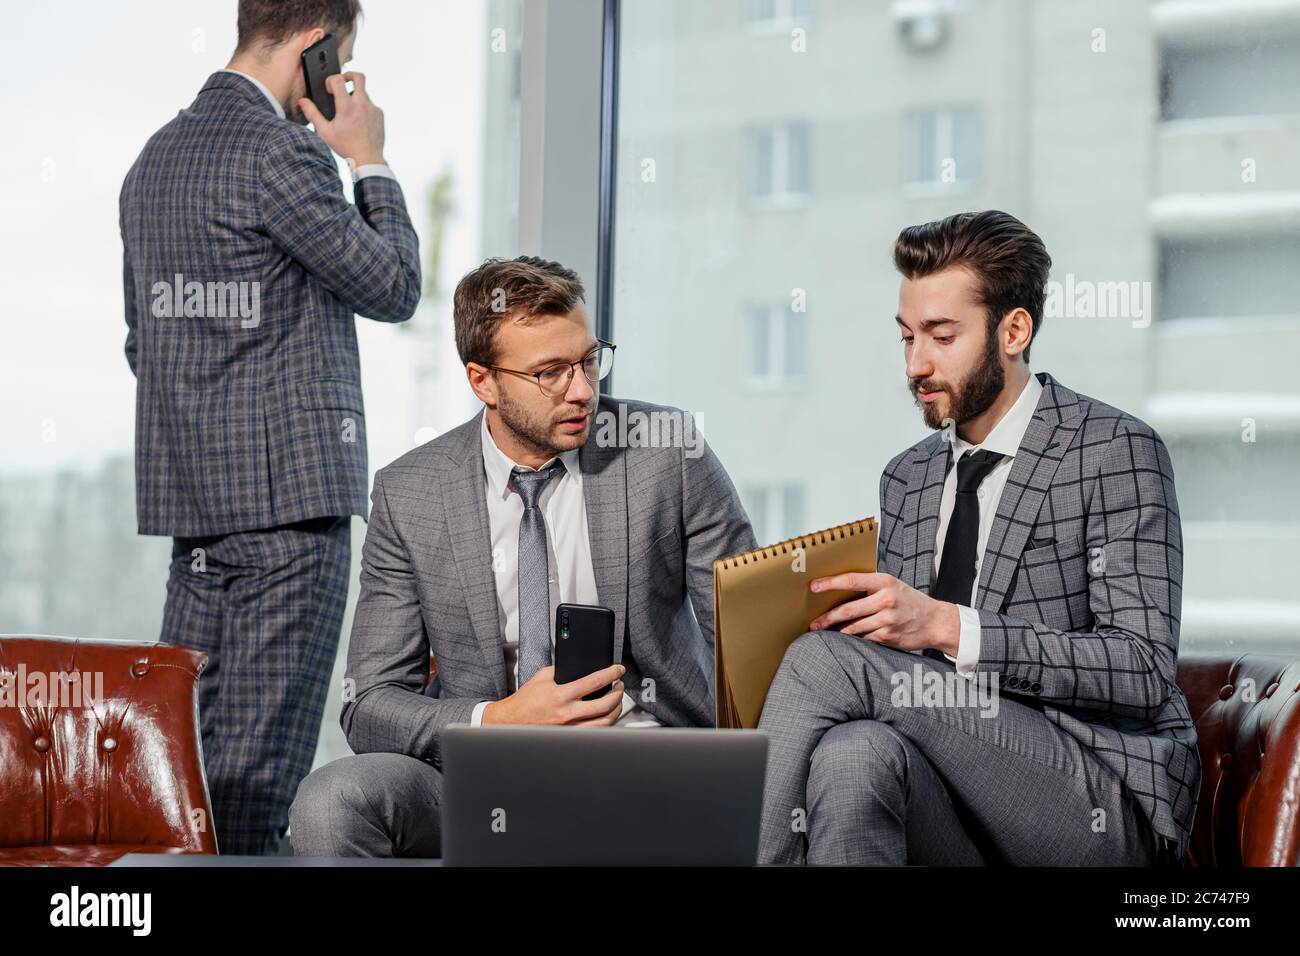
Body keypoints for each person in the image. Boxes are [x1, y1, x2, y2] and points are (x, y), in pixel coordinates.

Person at [757, 210, 1200, 866]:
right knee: (856, 758)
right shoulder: (906, 478)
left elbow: (1141, 668)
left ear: (1013, 330)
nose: (917, 364)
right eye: (907, 338)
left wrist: (947, 628)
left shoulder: (1112, 450)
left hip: (1094, 797)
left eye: (941, 336)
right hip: (956, 794)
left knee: (823, 666)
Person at [289, 256, 756, 857]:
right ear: (482, 380)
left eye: (589, 359)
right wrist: (500, 718)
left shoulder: (667, 453)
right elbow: (370, 703)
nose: (583, 390)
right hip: (484, 779)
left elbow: (747, 644)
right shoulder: (410, 493)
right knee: (331, 801)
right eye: (550, 373)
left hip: (650, 763)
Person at [119, 0, 420, 854]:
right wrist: (369, 158)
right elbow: (393, 285)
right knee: (254, 795)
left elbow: (147, 345)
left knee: (184, 779)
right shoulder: (283, 153)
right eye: (344, 57)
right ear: (318, 47)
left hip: (198, 529)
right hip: (291, 525)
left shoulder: (152, 163)